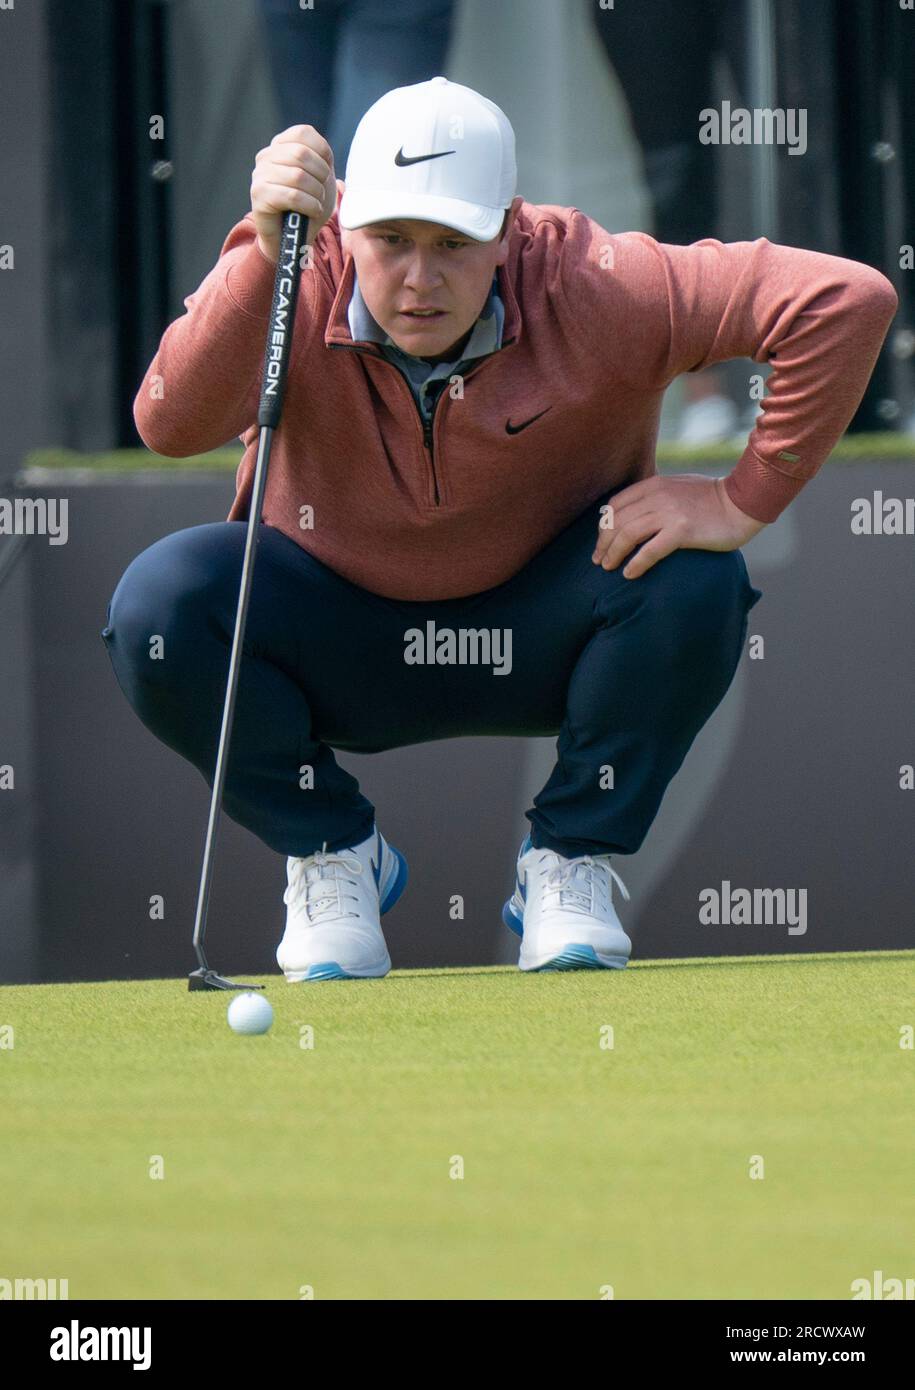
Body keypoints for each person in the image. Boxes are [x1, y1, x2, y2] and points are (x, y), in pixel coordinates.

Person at [101, 77, 897, 983]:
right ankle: (329, 852)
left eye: (454, 243)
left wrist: (737, 502)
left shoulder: (595, 281)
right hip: (334, 638)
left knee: (694, 579)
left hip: (540, 632)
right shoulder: (293, 269)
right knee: (163, 604)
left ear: (509, 229)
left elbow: (847, 300)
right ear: (346, 222)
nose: (418, 277)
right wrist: (260, 253)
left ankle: (568, 862)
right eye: (391, 241)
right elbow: (167, 426)